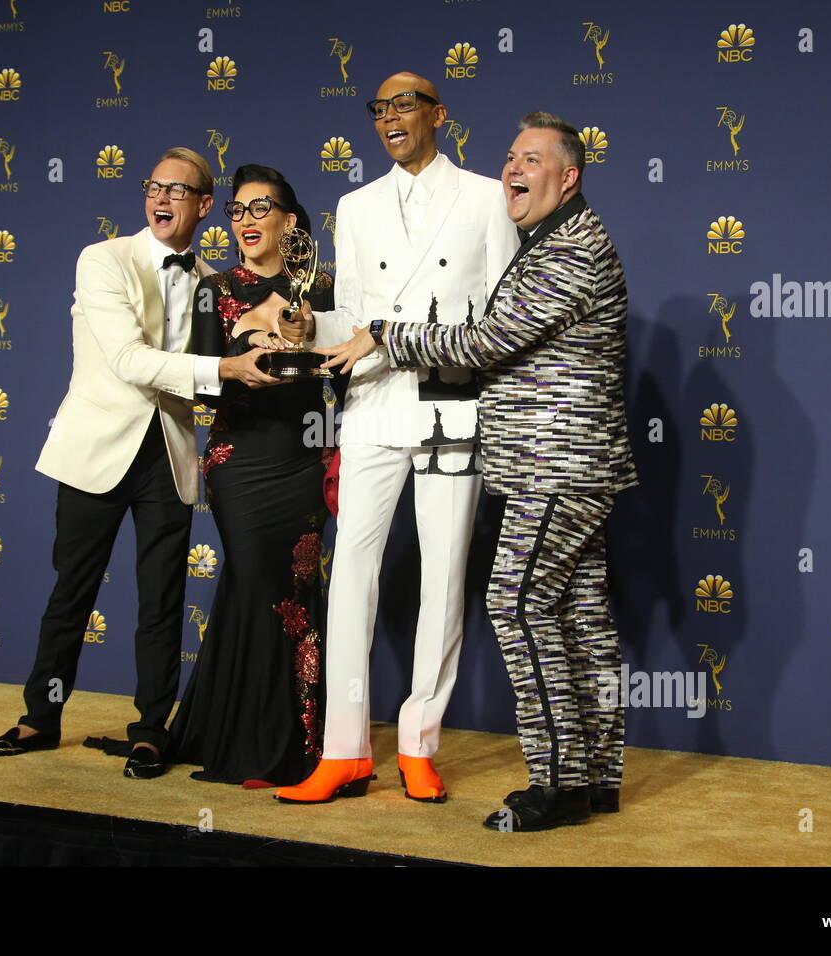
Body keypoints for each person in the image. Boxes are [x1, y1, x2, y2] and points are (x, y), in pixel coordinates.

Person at [319, 111, 638, 831]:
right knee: (580, 615)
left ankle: (556, 783)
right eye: (510, 156)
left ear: (570, 175)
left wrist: (387, 333)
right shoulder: (553, 240)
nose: (514, 170)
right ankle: (593, 779)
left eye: (532, 159)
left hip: (558, 465)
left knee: (520, 605)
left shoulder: (571, 250)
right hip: (564, 465)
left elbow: (488, 339)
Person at [0, 147, 280, 778]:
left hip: (167, 453)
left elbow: (237, 349)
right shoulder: (103, 259)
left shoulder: (211, 284)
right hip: (97, 450)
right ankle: (40, 718)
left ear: (202, 206)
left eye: (180, 191)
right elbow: (128, 360)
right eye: (154, 188)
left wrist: (280, 333)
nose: (163, 199)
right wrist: (224, 367)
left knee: (161, 598)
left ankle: (150, 729)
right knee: (72, 591)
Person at [274, 72, 518, 805]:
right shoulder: (354, 206)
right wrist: (305, 327)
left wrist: (399, 342)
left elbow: (500, 320)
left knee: (443, 574)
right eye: (379, 108)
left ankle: (418, 743)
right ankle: (345, 750)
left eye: (404, 104)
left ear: (439, 114)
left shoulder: (483, 197)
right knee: (350, 570)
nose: (390, 118)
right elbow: (346, 314)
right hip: (375, 401)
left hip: (451, 400)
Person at [168, 164, 335, 787]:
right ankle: (257, 743)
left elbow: (340, 373)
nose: (244, 221)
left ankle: (294, 739)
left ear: (290, 221)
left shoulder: (321, 286)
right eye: (236, 211)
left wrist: (311, 342)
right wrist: (238, 358)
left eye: (259, 208)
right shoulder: (216, 289)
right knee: (257, 581)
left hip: (304, 456)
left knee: (292, 594)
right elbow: (204, 379)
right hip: (241, 460)